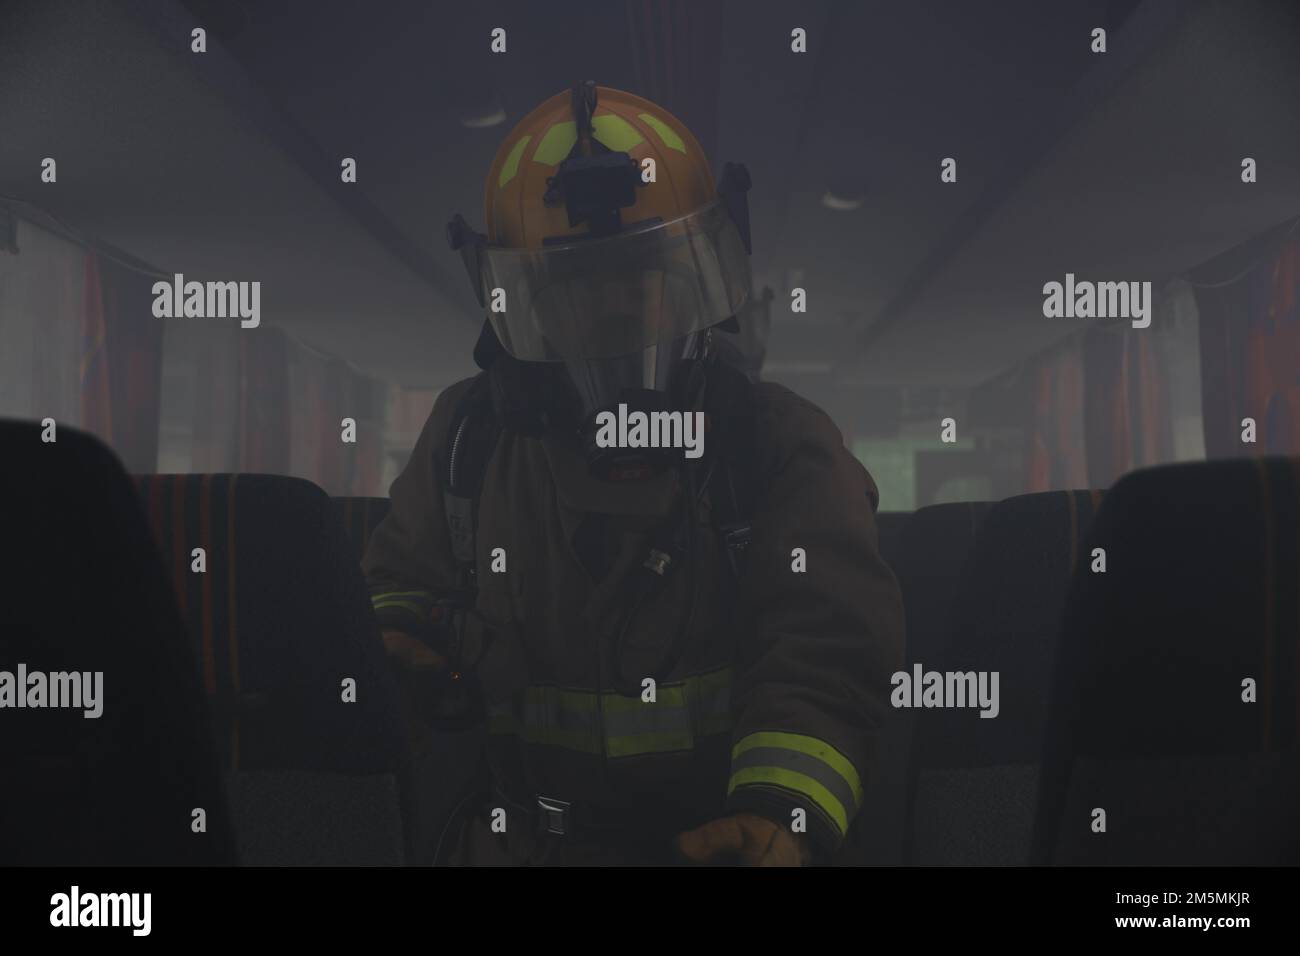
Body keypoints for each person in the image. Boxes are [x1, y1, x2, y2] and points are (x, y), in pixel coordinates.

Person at [364, 82, 903, 866]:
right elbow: (397, 585)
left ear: (696, 281)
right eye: (578, 284)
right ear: (525, 302)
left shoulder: (778, 446)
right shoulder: (465, 440)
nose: (613, 305)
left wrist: (777, 816)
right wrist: (399, 645)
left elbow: (825, 659)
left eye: (639, 273)